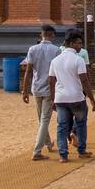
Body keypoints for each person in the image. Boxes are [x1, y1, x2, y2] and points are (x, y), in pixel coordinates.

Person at [49, 31, 95, 164]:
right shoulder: (78, 60)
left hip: (61, 99)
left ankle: (63, 154)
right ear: (71, 43)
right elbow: (85, 81)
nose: (80, 46)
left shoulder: (55, 61)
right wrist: (92, 99)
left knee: (62, 126)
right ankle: (81, 150)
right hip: (76, 97)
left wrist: (53, 99)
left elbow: (51, 82)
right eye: (78, 43)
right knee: (81, 124)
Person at [19, 24, 62, 161]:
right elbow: (58, 73)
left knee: (41, 119)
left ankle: (48, 143)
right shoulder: (56, 50)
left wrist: (24, 90)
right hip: (50, 88)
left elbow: (28, 71)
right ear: (52, 35)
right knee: (44, 120)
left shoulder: (33, 49)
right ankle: (37, 151)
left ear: (41, 35)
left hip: (36, 87)